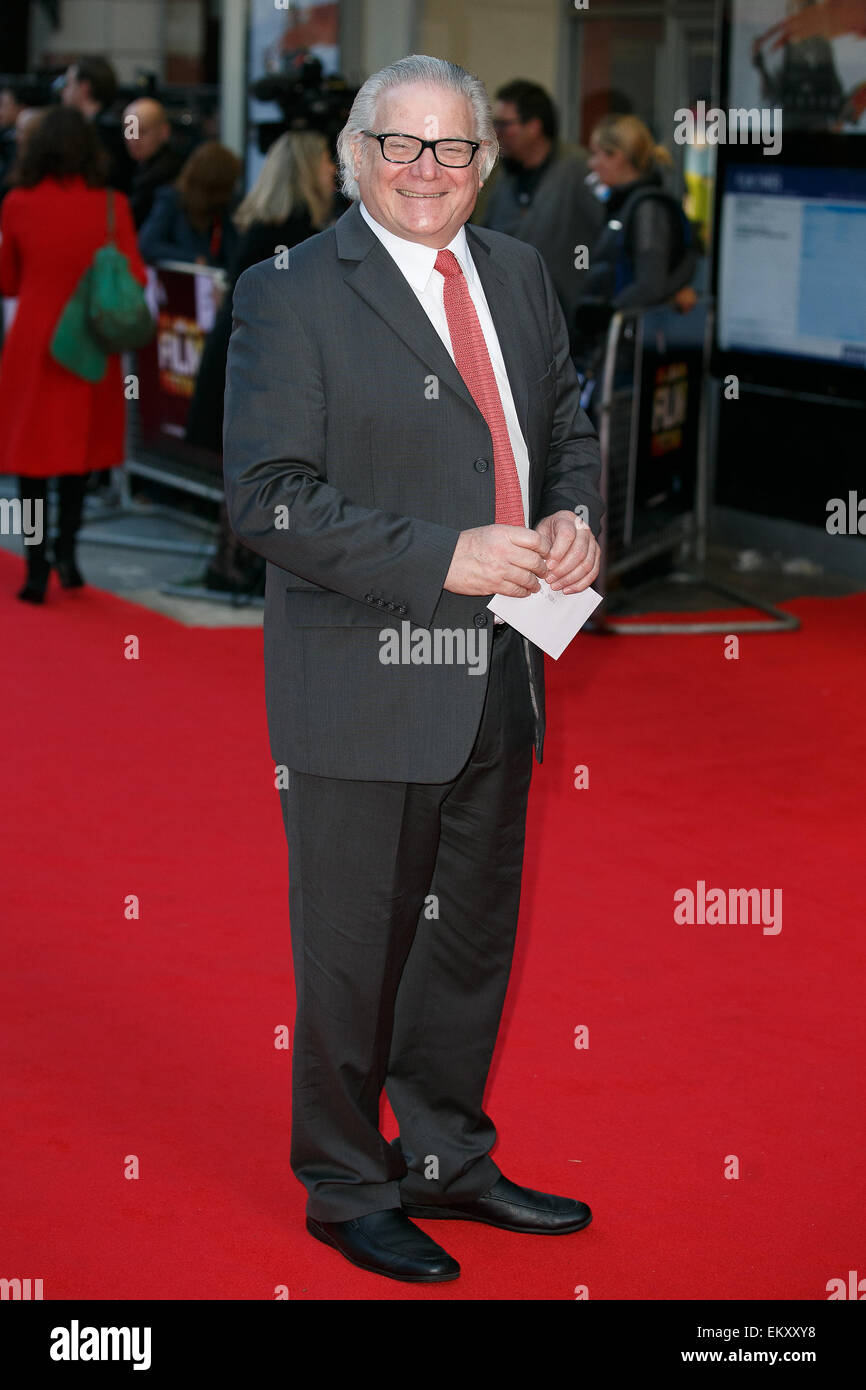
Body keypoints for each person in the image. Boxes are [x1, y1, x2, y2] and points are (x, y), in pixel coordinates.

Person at [223, 54, 604, 1284]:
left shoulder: (518, 273)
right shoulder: (287, 293)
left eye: (451, 149)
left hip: (505, 670)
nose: (425, 171)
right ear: (353, 153)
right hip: (365, 677)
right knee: (352, 951)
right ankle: (345, 1183)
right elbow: (269, 504)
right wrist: (448, 556)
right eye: (401, 145)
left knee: (465, 943)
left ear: (486, 165)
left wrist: (576, 519)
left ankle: (445, 1158)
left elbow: (565, 425)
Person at [0, 107, 146, 602]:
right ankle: (68, 552)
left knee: (32, 461)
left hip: (35, 343)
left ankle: (36, 566)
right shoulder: (113, 205)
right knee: (79, 457)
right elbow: (136, 278)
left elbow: (9, 280)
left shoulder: (17, 203)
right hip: (89, 341)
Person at [183, 129, 337, 594]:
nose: (335, 171)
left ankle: (229, 565)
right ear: (309, 170)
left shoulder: (260, 223)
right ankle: (239, 569)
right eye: (328, 162)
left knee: (249, 474)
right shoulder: (298, 231)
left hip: (236, 362)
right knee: (265, 475)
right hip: (265, 371)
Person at [572, 114, 698, 391]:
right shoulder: (627, 205)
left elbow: (650, 283)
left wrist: (606, 315)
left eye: (596, 155)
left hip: (629, 358)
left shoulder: (646, 210)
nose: (591, 165)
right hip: (621, 351)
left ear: (617, 157)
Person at [477, 79, 603, 351]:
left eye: (504, 125)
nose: (497, 134)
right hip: (510, 324)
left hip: (570, 329)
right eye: (494, 125)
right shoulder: (500, 177)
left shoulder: (579, 170)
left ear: (534, 126)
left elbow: (614, 230)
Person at [137, 140, 242, 268]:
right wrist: (193, 259)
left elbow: (234, 256)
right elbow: (148, 244)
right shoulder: (172, 200)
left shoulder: (220, 210)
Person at [60, 55, 133, 194]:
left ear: (84, 87)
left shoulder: (105, 129)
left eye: (68, 84)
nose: (63, 91)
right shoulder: (119, 121)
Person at [122, 97, 186, 228]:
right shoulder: (134, 165)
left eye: (142, 131)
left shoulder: (165, 171)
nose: (134, 140)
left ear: (164, 132)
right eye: (130, 131)